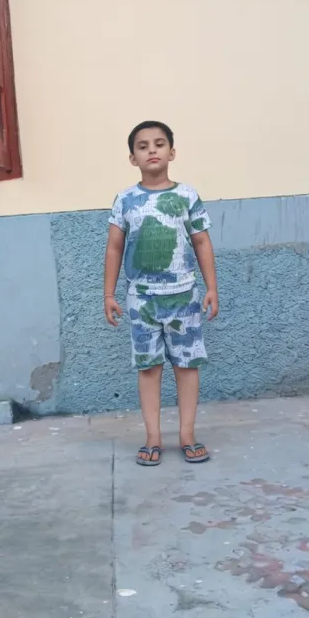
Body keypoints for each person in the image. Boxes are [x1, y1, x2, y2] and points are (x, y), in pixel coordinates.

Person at [104, 121, 219, 466]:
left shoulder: (187, 196)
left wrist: (211, 287)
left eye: (158, 144)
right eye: (143, 146)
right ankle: (153, 436)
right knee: (149, 368)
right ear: (132, 158)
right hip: (142, 301)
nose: (151, 150)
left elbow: (201, 241)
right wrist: (108, 294)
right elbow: (113, 248)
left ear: (172, 152)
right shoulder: (125, 200)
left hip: (184, 298)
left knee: (187, 366)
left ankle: (187, 434)